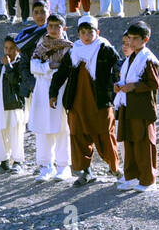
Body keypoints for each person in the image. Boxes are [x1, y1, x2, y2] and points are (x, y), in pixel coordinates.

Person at [49, 13, 122, 186]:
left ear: (97, 31)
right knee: (78, 136)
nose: (86, 36)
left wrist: (116, 88)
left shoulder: (105, 48)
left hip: (100, 101)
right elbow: (61, 73)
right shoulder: (74, 50)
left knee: (105, 133)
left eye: (90, 32)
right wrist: (53, 93)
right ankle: (86, 172)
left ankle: (115, 168)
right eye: (82, 32)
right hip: (77, 102)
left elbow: (119, 66)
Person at [114, 22, 159, 191]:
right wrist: (120, 86)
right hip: (128, 106)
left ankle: (148, 180)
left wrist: (133, 86)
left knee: (143, 143)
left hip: (142, 108)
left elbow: (154, 84)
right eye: (129, 38)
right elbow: (127, 78)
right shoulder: (131, 58)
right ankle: (132, 177)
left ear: (145, 39)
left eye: (135, 39)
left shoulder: (148, 59)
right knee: (130, 142)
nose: (131, 42)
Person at [30, 14, 72, 181]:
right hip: (41, 90)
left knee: (62, 128)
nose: (54, 30)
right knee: (43, 128)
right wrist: (48, 66)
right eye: (51, 26)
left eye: (57, 26)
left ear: (64, 28)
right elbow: (33, 66)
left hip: (60, 90)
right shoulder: (41, 45)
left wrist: (51, 69)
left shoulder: (69, 48)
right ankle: (46, 166)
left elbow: (68, 69)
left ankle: (63, 166)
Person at [0, 35, 27, 175]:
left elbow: (16, 81)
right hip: (0, 104)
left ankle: (18, 162)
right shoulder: (1, 64)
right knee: (0, 133)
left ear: (18, 50)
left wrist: (8, 66)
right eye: (6, 48)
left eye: (11, 48)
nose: (8, 51)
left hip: (14, 104)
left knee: (15, 133)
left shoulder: (20, 64)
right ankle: (4, 163)